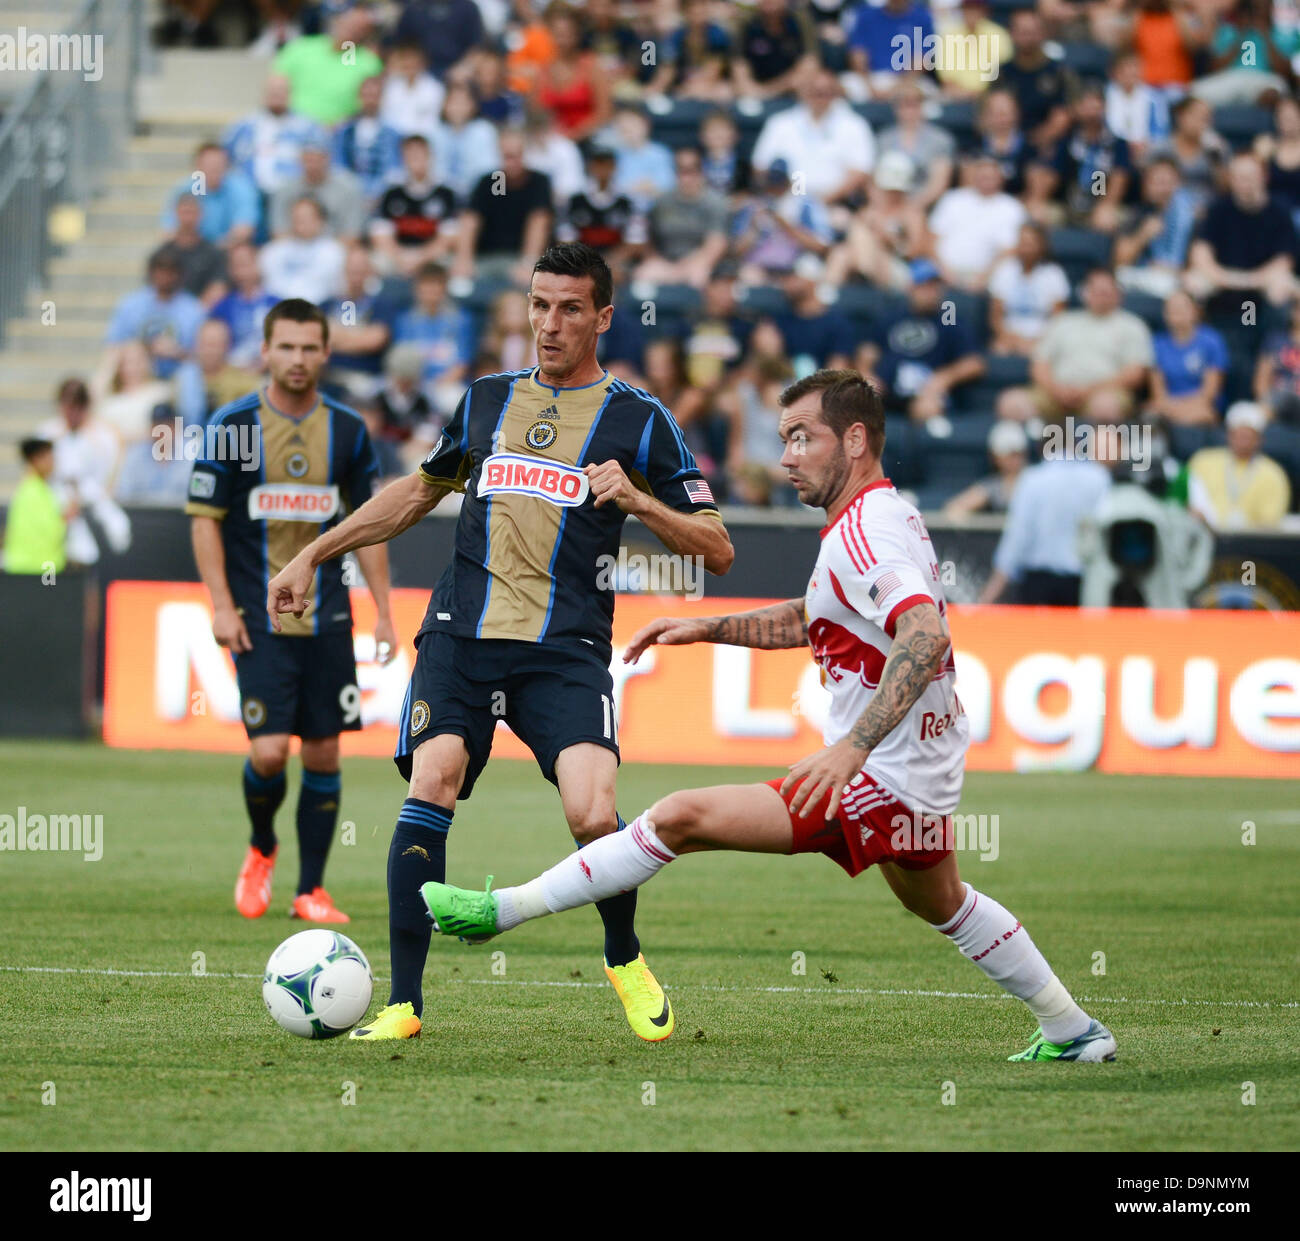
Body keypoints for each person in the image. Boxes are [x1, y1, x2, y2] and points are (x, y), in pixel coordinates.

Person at [421, 368, 1118, 1065]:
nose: (785, 456)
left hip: (879, 773)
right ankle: (1073, 1027)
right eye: (784, 438)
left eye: (801, 437)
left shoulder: (866, 532)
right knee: (945, 903)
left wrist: (850, 751)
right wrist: (707, 627)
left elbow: (926, 634)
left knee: (677, 816)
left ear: (853, 438)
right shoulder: (880, 515)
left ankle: (501, 910)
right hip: (921, 769)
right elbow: (817, 618)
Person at [264, 242, 734, 1043]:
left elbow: (716, 548)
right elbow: (416, 493)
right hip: (461, 636)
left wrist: (639, 501)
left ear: (604, 317)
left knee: (592, 812)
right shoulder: (484, 401)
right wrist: (315, 550)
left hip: (566, 645)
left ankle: (623, 955)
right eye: (539, 303)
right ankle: (405, 1003)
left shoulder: (638, 419)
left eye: (571, 308)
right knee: (433, 781)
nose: (550, 324)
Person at [186, 298, 395, 925]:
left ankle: (310, 889)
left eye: (310, 347)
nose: (298, 359)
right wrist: (221, 607)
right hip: (260, 619)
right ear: (266, 352)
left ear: (326, 353)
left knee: (325, 754)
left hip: (329, 619)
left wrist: (383, 612)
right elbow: (204, 522)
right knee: (271, 751)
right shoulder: (234, 425)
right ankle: (261, 846)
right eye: (287, 347)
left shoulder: (349, 431)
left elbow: (373, 525)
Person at [1031, 267, 1154, 418]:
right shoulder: (1062, 321)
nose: (1100, 297)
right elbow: (1040, 364)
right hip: (1056, 392)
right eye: (1095, 291)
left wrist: (1088, 391)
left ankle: (1101, 441)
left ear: (1118, 295)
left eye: (1106, 292)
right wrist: (1056, 390)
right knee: (1013, 404)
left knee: (1105, 407)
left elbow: (1135, 374)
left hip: (1107, 393)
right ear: (1085, 293)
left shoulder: (1133, 325)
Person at [749, 68, 875, 208]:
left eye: (826, 92)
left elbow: (861, 172)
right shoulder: (780, 123)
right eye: (815, 91)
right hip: (784, 203)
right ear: (803, 91)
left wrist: (821, 201)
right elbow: (760, 167)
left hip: (837, 205)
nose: (820, 97)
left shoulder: (854, 125)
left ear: (835, 93)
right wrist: (793, 197)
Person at [1187, 401, 1292, 528]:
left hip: (1253, 542)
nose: (1243, 441)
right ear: (1228, 436)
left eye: (1248, 436)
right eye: (1238, 435)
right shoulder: (1202, 461)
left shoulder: (1273, 473)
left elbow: (1270, 523)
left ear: (1259, 440)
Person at [988, 222, 1070, 355]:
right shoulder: (1005, 270)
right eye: (1022, 242)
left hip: (1042, 337)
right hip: (1009, 337)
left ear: (1042, 246)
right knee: (999, 350)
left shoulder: (1054, 274)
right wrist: (1013, 339)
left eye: (1031, 243)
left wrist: (1037, 341)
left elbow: (1058, 318)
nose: (1026, 248)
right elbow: (995, 317)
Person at [1150, 289, 1227, 426]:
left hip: (1201, 405)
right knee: (1148, 416)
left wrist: (1181, 409)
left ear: (1195, 311)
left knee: (1200, 415)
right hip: (1168, 406)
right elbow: (1158, 393)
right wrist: (1171, 407)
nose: (1176, 312)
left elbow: (1210, 392)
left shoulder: (1211, 341)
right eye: (1171, 309)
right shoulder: (1158, 343)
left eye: (1182, 308)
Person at [259, 197, 346, 305]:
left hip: (321, 310)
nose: (301, 223)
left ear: (321, 220)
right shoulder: (272, 251)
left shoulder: (335, 252)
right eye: (297, 218)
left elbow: (340, 291)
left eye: (307, 218)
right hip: (280, 310)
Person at [3, 439, 69, 575]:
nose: (52, 463)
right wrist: (66, 518)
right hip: (39, 568)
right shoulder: (34, 492)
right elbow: (50, 532)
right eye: (48, 458)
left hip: (28, 566)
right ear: (36, 459)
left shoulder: (34, 489)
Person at [942, 419, 1029, 515]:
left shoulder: (1035, 481)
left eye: (1017, 454)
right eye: (1009, 455)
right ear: (995, 457)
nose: (1014, 460)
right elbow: (954, 508)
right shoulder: (993, 486)